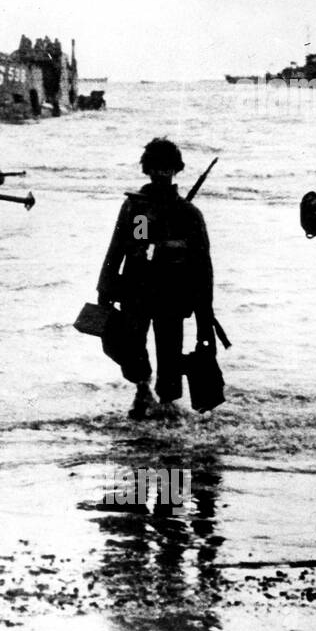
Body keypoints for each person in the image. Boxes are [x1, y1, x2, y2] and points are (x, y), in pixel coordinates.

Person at [97, 137, 214, 421]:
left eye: (167, 168)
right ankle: (142, 388)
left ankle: (168, 402)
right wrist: (106, 287)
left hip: (172, 292)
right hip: (137, 288)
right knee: (131, 344)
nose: (161, 174)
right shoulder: (137, 208)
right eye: (156, 168)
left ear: (176, 170)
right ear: (147, 170)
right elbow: (124, 247)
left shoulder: (188, 214)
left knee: (170, 349)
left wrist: (204, 312)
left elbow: (202, 265)